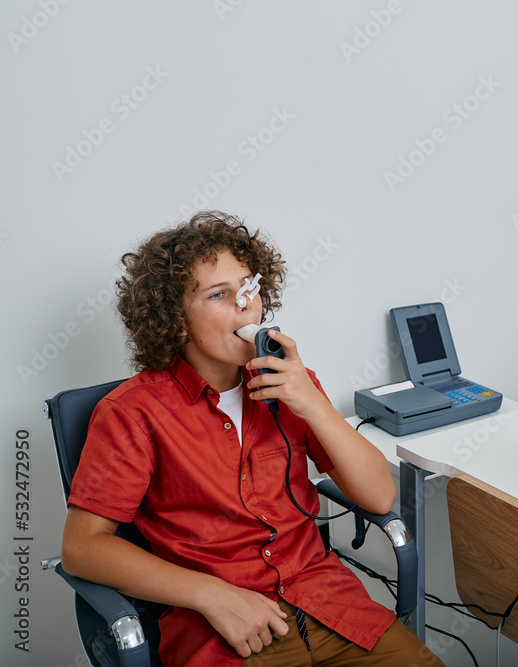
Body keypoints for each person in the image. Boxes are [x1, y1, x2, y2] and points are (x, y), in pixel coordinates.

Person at [61, 212, 444, 666]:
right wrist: (209, 594)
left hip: (330, 606)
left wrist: (314, 404)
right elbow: (82, 548)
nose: (246, 304)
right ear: (176, 322)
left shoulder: (293, 385)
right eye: (220, 294)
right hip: (223, 631)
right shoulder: (134, 413)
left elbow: (380, 498)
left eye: (249, 286)